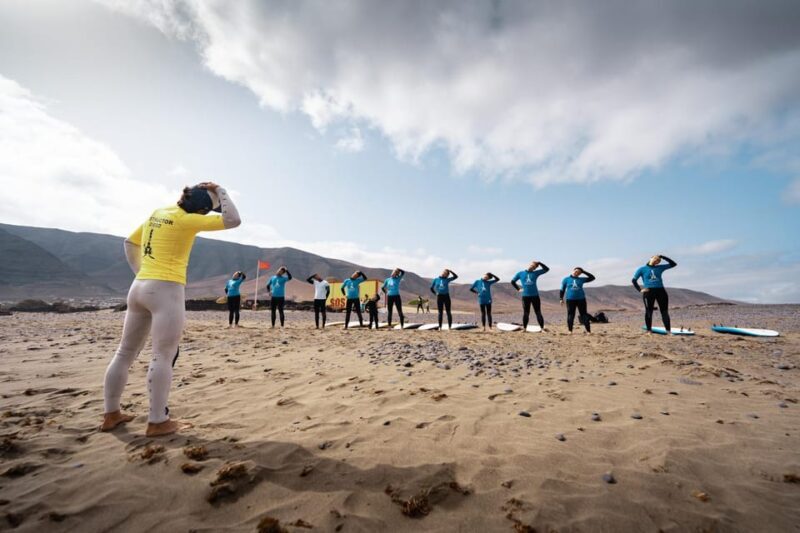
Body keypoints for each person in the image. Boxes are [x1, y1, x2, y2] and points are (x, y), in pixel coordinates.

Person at [102, 182, 240, 437]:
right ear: (201, 210)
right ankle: (157, 421)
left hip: (139, 287)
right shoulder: (188, 221)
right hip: (167, 289)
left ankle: (111, 414)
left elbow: (129, 243)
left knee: (124, 352)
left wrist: (141, 272)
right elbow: (233, 220)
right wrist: (221, 190)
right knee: (163, 355)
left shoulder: (159, 213)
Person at [632, 254, 677, 334]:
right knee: (649, 311)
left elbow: (673, 264)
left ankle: (668, 331)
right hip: (648, 292)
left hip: (661, 291)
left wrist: (663, 257)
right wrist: (640, 290)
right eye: (656, 259)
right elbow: (634, 280)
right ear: (651, 258)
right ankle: (649, 330)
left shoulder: (660, 268)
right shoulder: (642, 269)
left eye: (658, 261)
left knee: (664, 312)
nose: (657, 261)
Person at [510, 261, 550, 330]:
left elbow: (547, 269)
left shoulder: (535, 273)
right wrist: (518, 289)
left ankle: (542, 329)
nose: (532, 266)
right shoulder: (520, 273)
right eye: (531, 265)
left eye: (534, 266)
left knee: (538, 312)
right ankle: (525, 329)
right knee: (526, 313)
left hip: (535, 296)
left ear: (534, 268)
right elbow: (512, 282)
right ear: (529, 265)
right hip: (525, 296)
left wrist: (539, 263)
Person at [559, 267, 595, 334]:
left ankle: (588, 331)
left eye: (579, 272)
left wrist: (583, 271)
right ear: (573, 271)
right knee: (571, 315)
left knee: (584, 315)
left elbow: (592, 278)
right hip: (570, 300)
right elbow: (562, 289)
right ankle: (570, 331)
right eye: (576, 271)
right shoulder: (566, 279)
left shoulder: (581, 279)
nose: (577, 273)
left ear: (580, 274)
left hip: (581, 299)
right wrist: (561, 298)